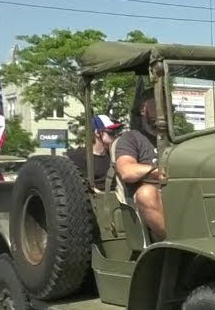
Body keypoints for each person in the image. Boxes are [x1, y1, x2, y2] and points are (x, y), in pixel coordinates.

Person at [113, 89, 167, 240]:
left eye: (167, 103)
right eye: (158, 104)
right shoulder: (131, 139)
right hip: (150, 204)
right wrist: (156, 170)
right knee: (146, 193)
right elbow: (126, 171)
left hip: (181, 193)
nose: (165, 109)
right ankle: (177, 243)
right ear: (143, 109)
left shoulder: (176, 138)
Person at [65, 114, 123, 191]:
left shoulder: (115, 155)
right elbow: (78, 185)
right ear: (98, 133)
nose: (115, 135)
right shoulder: (79, 157)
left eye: (117, 132)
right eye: (111, 132)